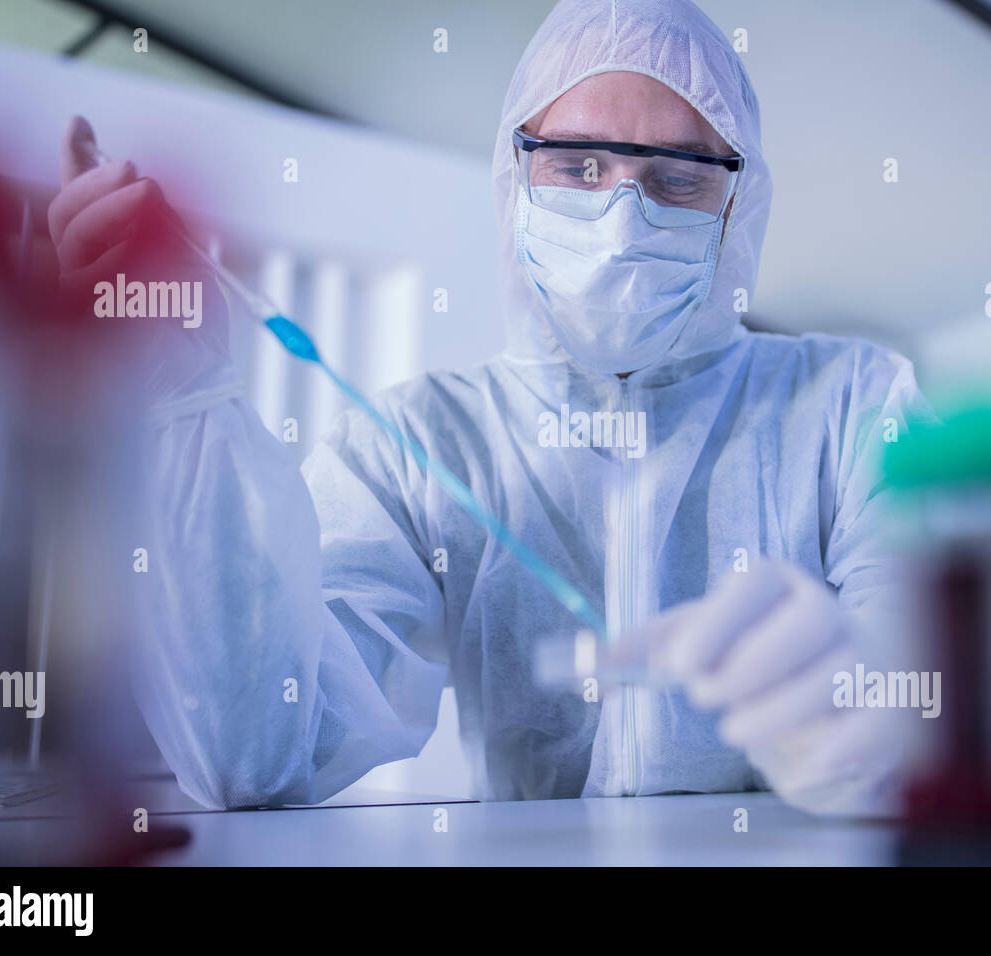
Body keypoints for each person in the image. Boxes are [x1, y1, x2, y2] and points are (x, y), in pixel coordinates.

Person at [47, 0, 934, 813]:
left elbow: (944, 688)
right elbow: (256, 757)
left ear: (738, 204)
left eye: (677, 178)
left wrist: (867, 708)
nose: (621, 219)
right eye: (578, 166)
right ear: (516, 180)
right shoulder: (410, 447)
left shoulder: (854, 405)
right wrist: (178, 387)